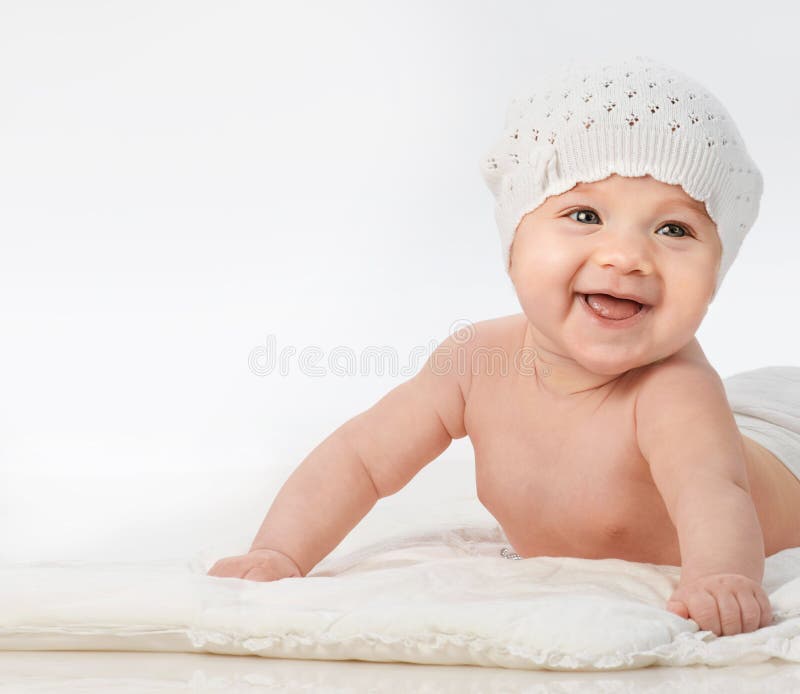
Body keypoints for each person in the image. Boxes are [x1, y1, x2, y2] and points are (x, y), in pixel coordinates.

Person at [208, 55, 800, 638]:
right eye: (585, 214)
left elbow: (712, 490)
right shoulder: (473, 363)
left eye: (674, 229)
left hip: (783, 433)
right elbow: (360, 459)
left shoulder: (675, 390)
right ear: (515, 240)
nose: (625, 256)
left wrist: (720, 577)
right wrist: (278, 551)